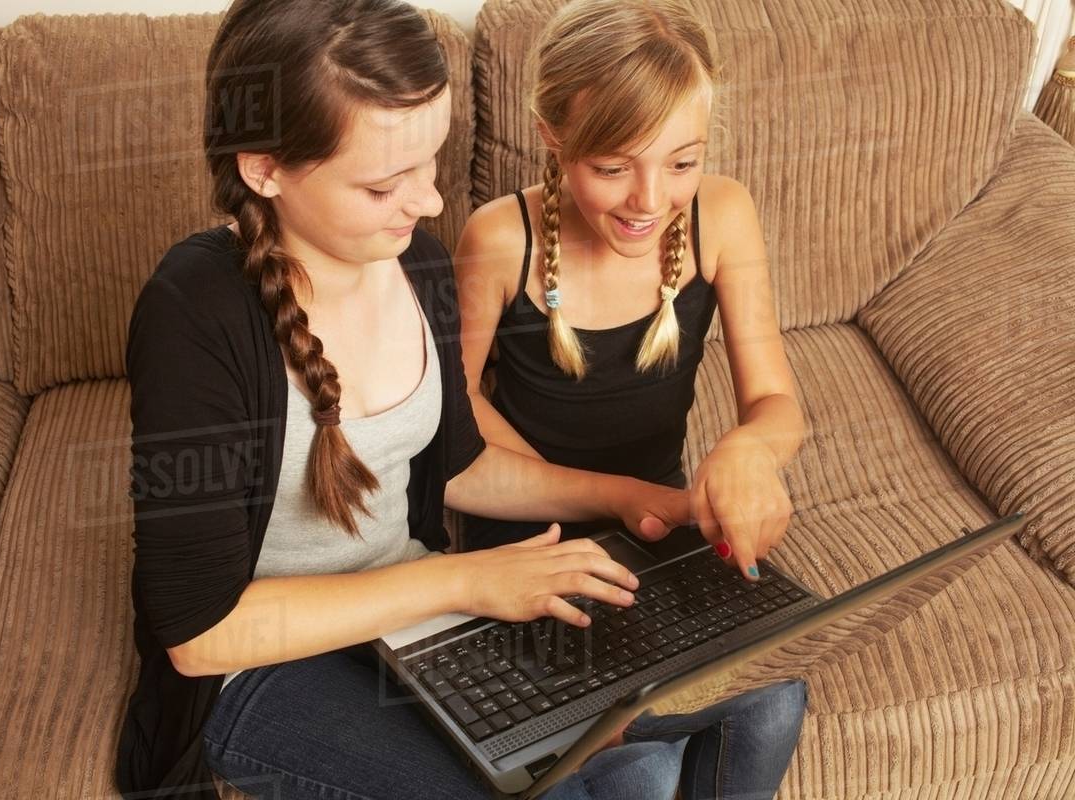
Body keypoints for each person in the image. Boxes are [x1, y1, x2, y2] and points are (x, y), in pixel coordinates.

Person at [113, 1, 794, 799]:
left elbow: (461, 463)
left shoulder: (420, 264)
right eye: (383, 183)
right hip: (260, 670)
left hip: (412, 625)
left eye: (429, 165)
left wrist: (643, 502)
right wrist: (468, 581)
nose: (430, 202)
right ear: (264, 169)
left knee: (758, 704)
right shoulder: (193, 310)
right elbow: (200, 635)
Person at [452, 0, 810, 796]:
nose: (649, 200)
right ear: (553, 136)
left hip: (657, 526)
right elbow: (448, 411)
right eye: (612, 167)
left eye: (681, 162)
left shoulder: (722, 215)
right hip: (531, 531)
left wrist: (748, 450)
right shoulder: (501, 239)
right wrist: (624, 499)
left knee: (778, 699)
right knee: (638, 770)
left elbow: (778, 403)